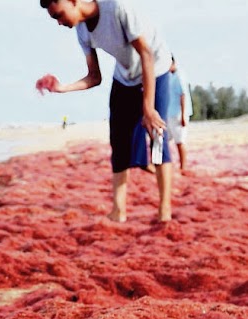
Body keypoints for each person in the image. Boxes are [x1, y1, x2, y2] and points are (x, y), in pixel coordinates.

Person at [35, 0, 174, 222]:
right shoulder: (82, 31)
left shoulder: (117, 7)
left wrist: (148, 108)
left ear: (73, 1)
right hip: (125, 76)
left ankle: (164, 209)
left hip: (156, 69)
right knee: (118, 141)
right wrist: (61, 88)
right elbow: (94, 77)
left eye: (59, 15)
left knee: (157, 137)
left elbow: (146, 54)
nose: (60, 23)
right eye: (55, 19)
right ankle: (118, 211)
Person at [167, 56, 192, 175]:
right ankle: (167, 164)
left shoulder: (179, 76)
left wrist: (183, 115)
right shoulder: (170, 76)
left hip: (177, 114)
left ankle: (183, 166)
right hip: (169, 114)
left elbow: (183, 96)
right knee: (165, 140)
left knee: (180, 141)